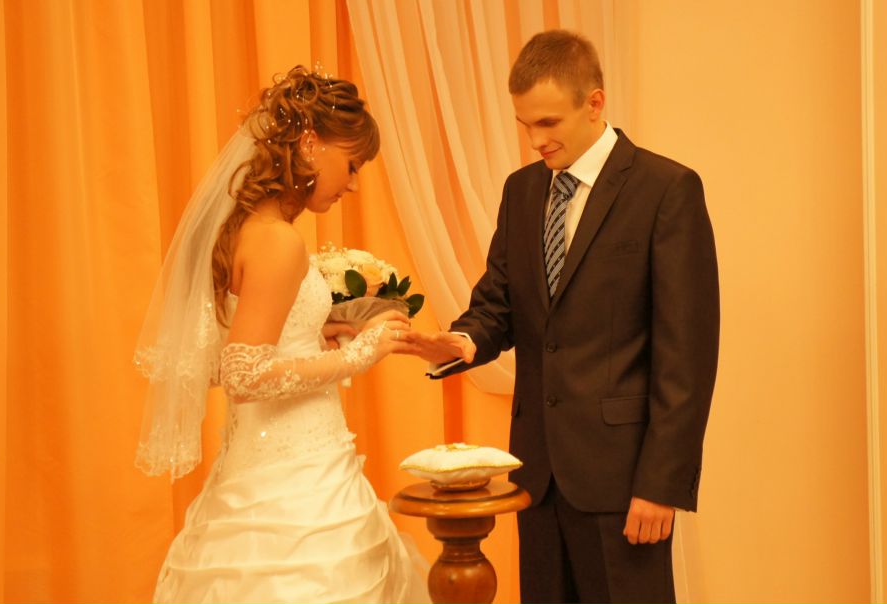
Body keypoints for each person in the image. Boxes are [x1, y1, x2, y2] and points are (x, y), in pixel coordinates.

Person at [409, 30, 720, 603]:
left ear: (594, 102)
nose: (535, 141)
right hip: (537, 475)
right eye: (525, 124)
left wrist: (662, 483)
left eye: (548, 123)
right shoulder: (522, 191)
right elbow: (499, 301)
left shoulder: (666, 189)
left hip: (625, 482)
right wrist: (462, 341)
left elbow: (688, 356)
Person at [133, 65, 430, 604]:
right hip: (298, 486)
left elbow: (229, 357)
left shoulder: (246, 229)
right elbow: (243, 374)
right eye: (352, 165)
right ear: (311, 144)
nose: (354, 184)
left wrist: (316, 334)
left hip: (258, 470)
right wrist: (359, 354)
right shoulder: (277, 241)